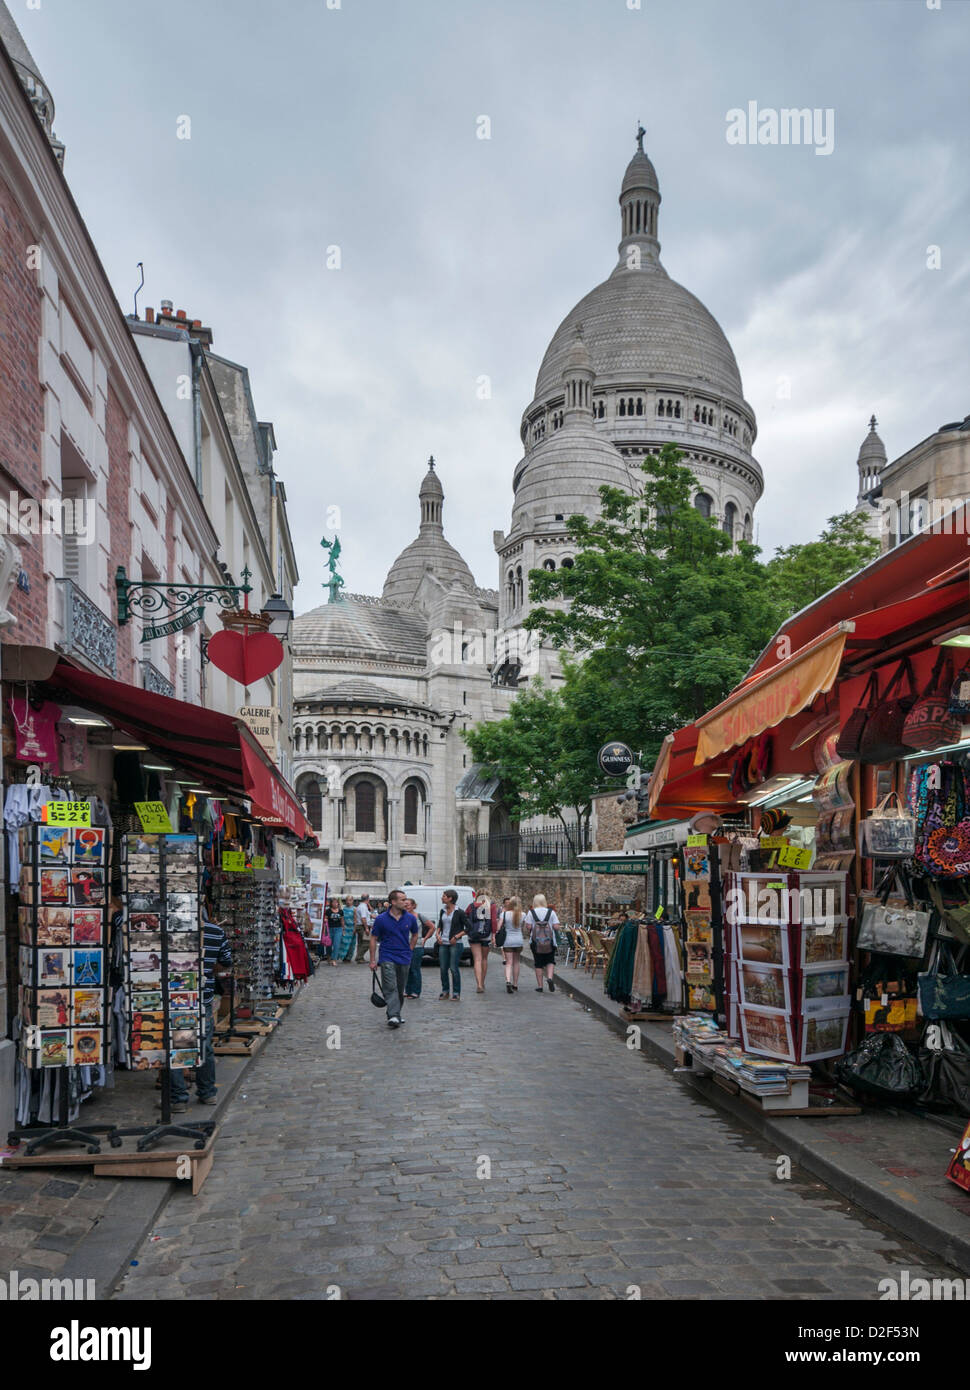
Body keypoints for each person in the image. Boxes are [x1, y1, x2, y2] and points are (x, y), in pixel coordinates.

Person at [168, 910, 232, 1111]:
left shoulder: (172, 931)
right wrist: (209, 967)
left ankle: (179, 1097)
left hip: (177, 995)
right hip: (203, 996)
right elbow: (226, 962)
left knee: (180, 1042)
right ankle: (207, 1092)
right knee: (204, 1044)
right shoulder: (215, 932)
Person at [369, 889, 419, 1028]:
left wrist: (410, 949)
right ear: (393, 902)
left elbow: (415, 934)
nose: (406, 902)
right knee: (390, 986)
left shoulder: (410, 918)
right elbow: (373, 938)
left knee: (400, 987)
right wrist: (373, 960)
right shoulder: (381, 919)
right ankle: (393, 1015)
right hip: (387, 955)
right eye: (402, 900)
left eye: (406, 899)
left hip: (404, 956)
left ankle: (396, 1012)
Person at [436, 889, 470, 1001]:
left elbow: (468, 927)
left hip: (455, 943)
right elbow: (440, 925)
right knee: (443, 968)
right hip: (443, 942)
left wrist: (456, 936)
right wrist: (437, 935)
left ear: (450, 898)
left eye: (444, 896)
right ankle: (445, 991)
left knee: (453, 968)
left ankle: (456, 992)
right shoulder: (442, 911)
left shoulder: (459, 912)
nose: (442, 897)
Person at [525, 893, 560, 992]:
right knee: (550, 960)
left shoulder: (531, 912)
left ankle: (540, 986)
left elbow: (528, 927)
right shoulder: (551, 912)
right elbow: (556, 926)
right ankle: (549, 978)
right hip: (550, 942)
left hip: (536, 942)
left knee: (538, 963)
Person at [404, 897, 435, 998]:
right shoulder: (402, 916)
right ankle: (407, 990)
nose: (406, 906)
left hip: (417, 946)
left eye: (408, 904)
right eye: (404, 904)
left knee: (414, 969)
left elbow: (432, 927)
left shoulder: (419, 916)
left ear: (413, 906)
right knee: (406, 969)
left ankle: (416, 991)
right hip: (404, 946)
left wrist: (425, 939)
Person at [467, 890, 493, 993]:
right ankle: (482, 982)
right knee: (484, 959)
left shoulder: (471, 906)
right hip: (486, 935)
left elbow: (465, 916)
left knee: (477, 959)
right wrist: (494, 934)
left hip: (473, 935)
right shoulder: (491, 906)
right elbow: (494, 921)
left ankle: (478, 984)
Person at [498, 896, 525, 993]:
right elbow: (524, 927)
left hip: (508, 940)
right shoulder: (523, 914)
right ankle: (515, 984)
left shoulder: (504, 914)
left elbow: (498, 927)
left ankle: (508, 980)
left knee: (508, 963)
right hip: (518, 940)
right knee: (516, 962)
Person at [354, 894, 374, 962]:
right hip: (362, 926)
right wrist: (366, 928)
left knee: (361, 943)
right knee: (367, 942)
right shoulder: (363, 907)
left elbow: (370, 914)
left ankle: (360, 958)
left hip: (360, 926)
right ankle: (359, 957)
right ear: (368, 899)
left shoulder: (362, 906)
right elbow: (363, 918)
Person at [326, 897, 344, 966]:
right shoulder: (328, 911)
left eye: (336, 902)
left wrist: (343, 929)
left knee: (336, 944)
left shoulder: (341, 911)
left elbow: (342, 920)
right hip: (330, 929)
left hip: (338, 929)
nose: (335, 904)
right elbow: (325, 919)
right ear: (331, 903)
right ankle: (329, 956)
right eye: (333, 902)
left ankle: (334, 959)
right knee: (329, 944)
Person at [340, 895, 356, 962]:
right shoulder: (343, 909)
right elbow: (342, 919)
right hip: (345, 928)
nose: (348, 902)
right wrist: (343, 928)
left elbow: (355, 920)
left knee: (352, 944)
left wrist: (355, 929)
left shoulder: (354, 909)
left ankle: (349, 957)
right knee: (344, 943)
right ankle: (343, 956)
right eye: (347, 900)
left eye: (350, 900)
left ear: (352, 901)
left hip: (352, 928)